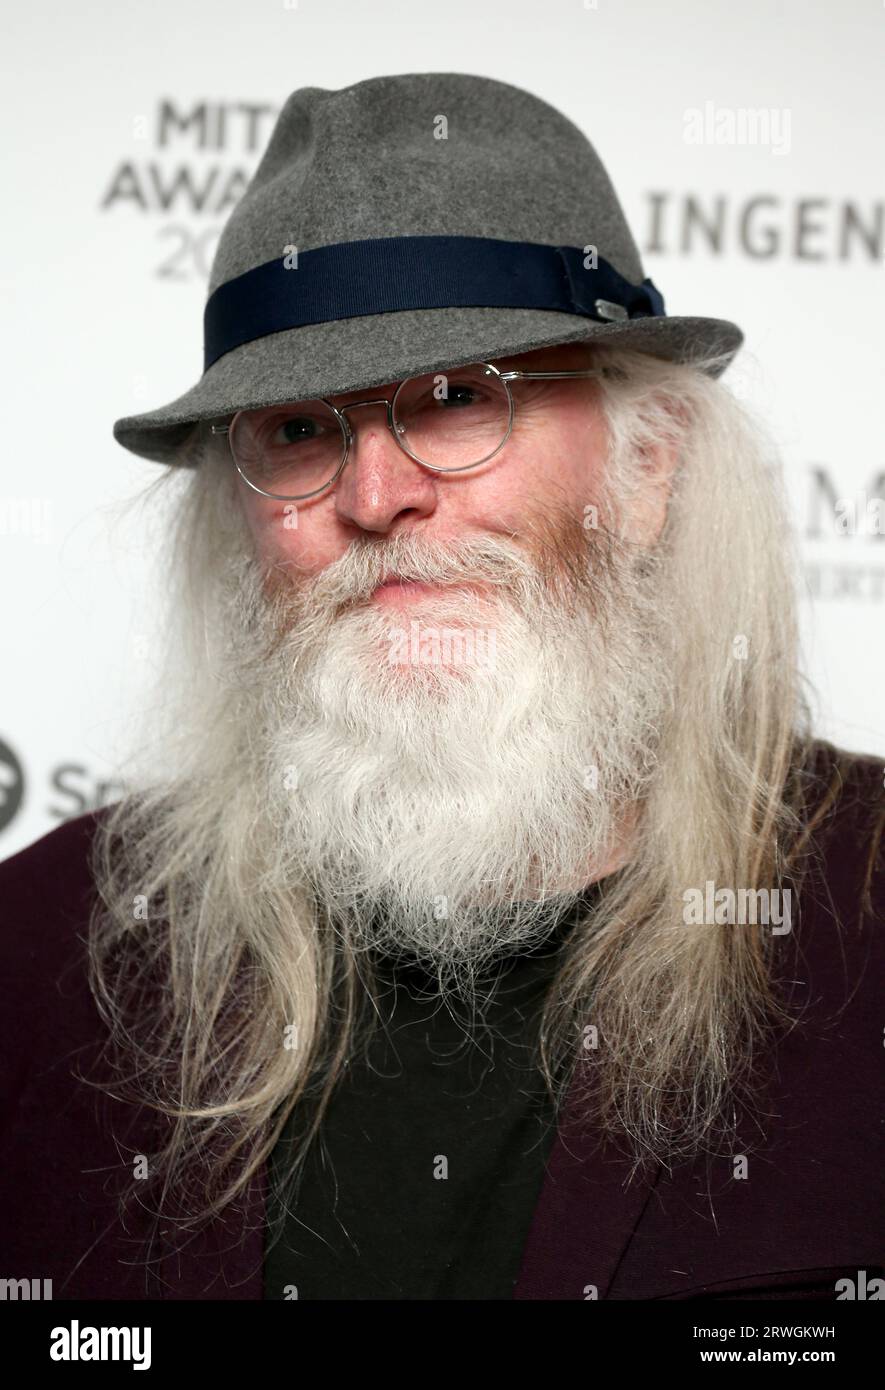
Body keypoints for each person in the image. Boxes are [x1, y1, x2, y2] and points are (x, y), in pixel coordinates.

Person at [1, 72, 882, 1302]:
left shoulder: (864, 909)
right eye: (301, 431)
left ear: (647, 471)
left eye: (464, 397)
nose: (375, 498)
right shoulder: (37, 955)